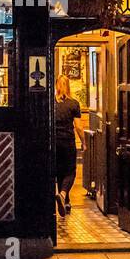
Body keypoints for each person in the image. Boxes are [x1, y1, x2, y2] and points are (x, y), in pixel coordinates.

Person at [53, 75, 83, 217]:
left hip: (54, 141)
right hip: (68, 141)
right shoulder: (74, 103)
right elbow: (78, 127)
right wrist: (83, 142)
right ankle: (63, 194)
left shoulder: (52, 103)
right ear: (68, 86)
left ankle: (65, 200)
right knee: (70, 171)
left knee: (59, 171)